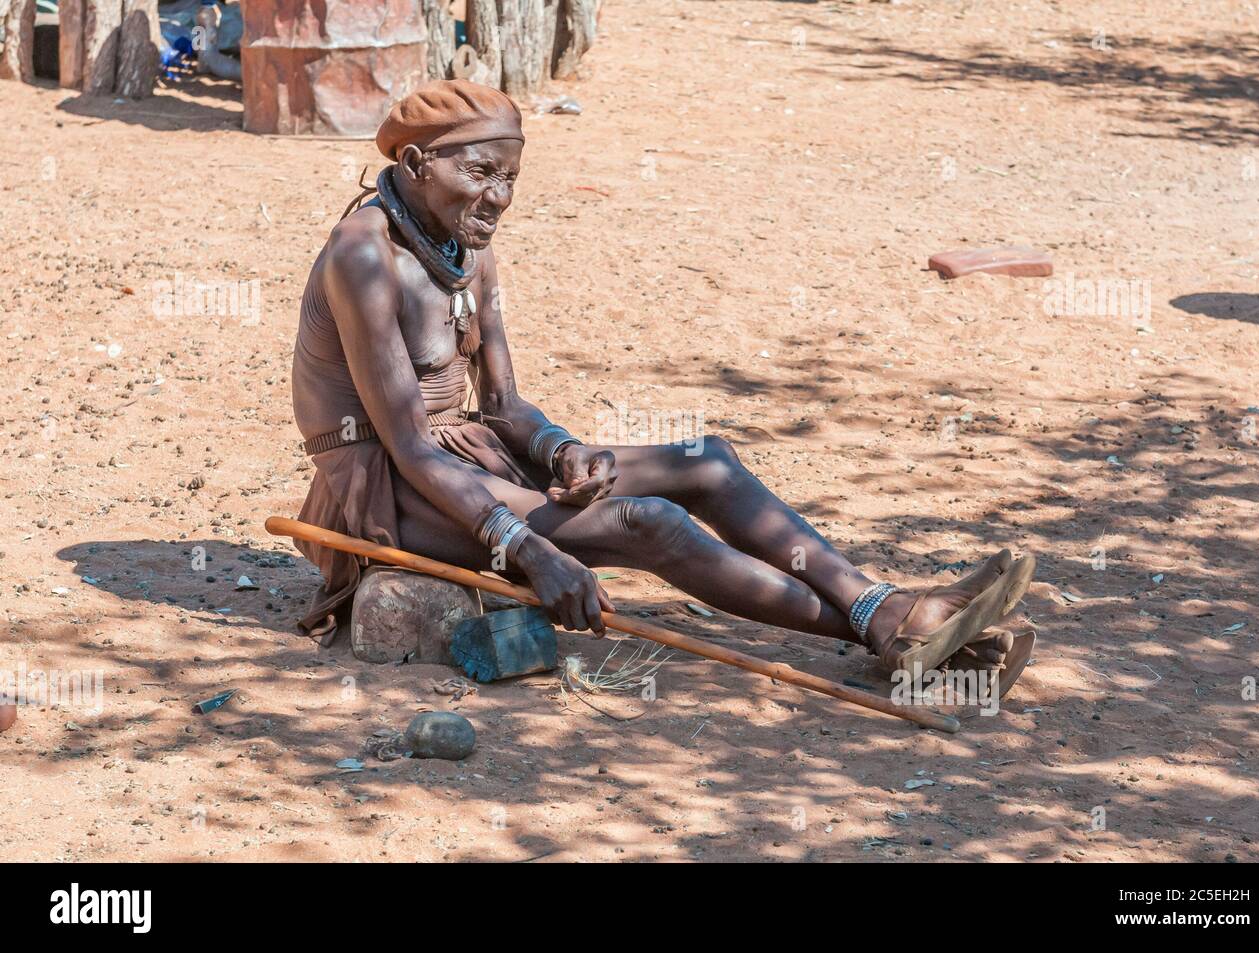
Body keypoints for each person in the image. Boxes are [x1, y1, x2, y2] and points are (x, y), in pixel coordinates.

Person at [290, 81, 1033, 679]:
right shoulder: (365, 257)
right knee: (648, 523)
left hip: (470, 459)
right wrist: (530, 548)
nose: (499, 197)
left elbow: (507, 405)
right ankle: (902, 624)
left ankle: (886, 612)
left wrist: (561, 450)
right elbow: (414, 449)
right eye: (478, 173)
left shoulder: (464, 241)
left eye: (511, 177)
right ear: (416, 165)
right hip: (389, 489)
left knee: (706, 460)